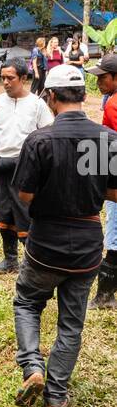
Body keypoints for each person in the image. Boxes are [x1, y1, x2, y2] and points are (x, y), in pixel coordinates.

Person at [12, 64, 117, 407]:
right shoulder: (106, 139)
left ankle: (32, 368)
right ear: (84, 95)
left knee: (27, 302)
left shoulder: (40, 140)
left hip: (45, 243)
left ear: (51, 97)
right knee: (72, 323)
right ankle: (56, 398)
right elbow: (114, 193)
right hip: (87, 244)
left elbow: (23, 197)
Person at [0, 61, 53, 273]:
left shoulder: (37, 105)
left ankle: (33, 262)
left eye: (11, 78)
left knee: (25, 214)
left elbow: (47, 137)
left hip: (25, 169)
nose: (6, 82)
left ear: (24, 79)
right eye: (3, 77)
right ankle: (10, 260)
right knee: (4, 213)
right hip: (0, 166)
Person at [88, 51, 117, 308]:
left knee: (114, 236)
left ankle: (105, 296)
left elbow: (111, 145)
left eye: (103, 78)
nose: (99, 83)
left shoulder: (112, 104)